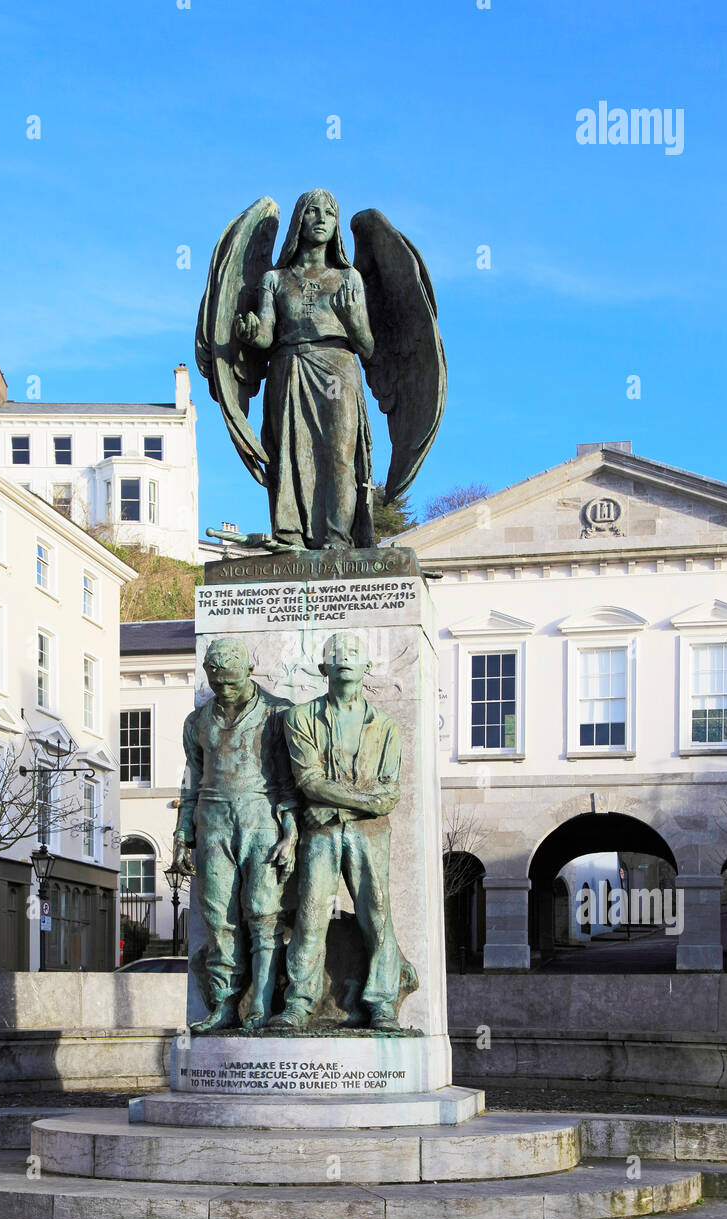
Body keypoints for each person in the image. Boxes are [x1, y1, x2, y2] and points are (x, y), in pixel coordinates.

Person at [272, 632, 409, 1031]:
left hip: (368, 833)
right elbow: (308, 781)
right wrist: (355, 801)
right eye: (336, 654)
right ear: (323, 667)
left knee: (377, 913)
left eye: (354, 653)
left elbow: (388, 794)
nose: (344, 659)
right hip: (322, 835)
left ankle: (382, 1001)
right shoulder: (299, 718)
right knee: (312, 914)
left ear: (367, 666)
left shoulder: (385, 726)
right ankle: (298, 1001)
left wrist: (332, 805)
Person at [234, 188, 376, 550]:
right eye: (312, 212)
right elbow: (267, 334)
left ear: (337, 225)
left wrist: (351, 321)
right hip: (289, 367)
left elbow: (368, 346)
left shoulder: (349, 278)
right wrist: (251, 331)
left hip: (337, 368)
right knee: (290, 454)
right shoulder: (275, 279)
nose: (321, 219)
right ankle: (290, 534)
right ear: (300, 221)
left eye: (329, 213)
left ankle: (338, 539)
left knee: (339, 453)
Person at [173, 638, 297, 1031]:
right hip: (212, 821)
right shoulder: (197, 722)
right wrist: (180, 832)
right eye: (216, 681)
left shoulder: (279, 714)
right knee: (217, 917)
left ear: (248, 671)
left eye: (230, 680)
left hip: (262, 816)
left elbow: (292, 781)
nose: (223, 688)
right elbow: (190, 782)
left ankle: (260, 1003)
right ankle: (225, 1004)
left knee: (263, 913)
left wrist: (290, 833)